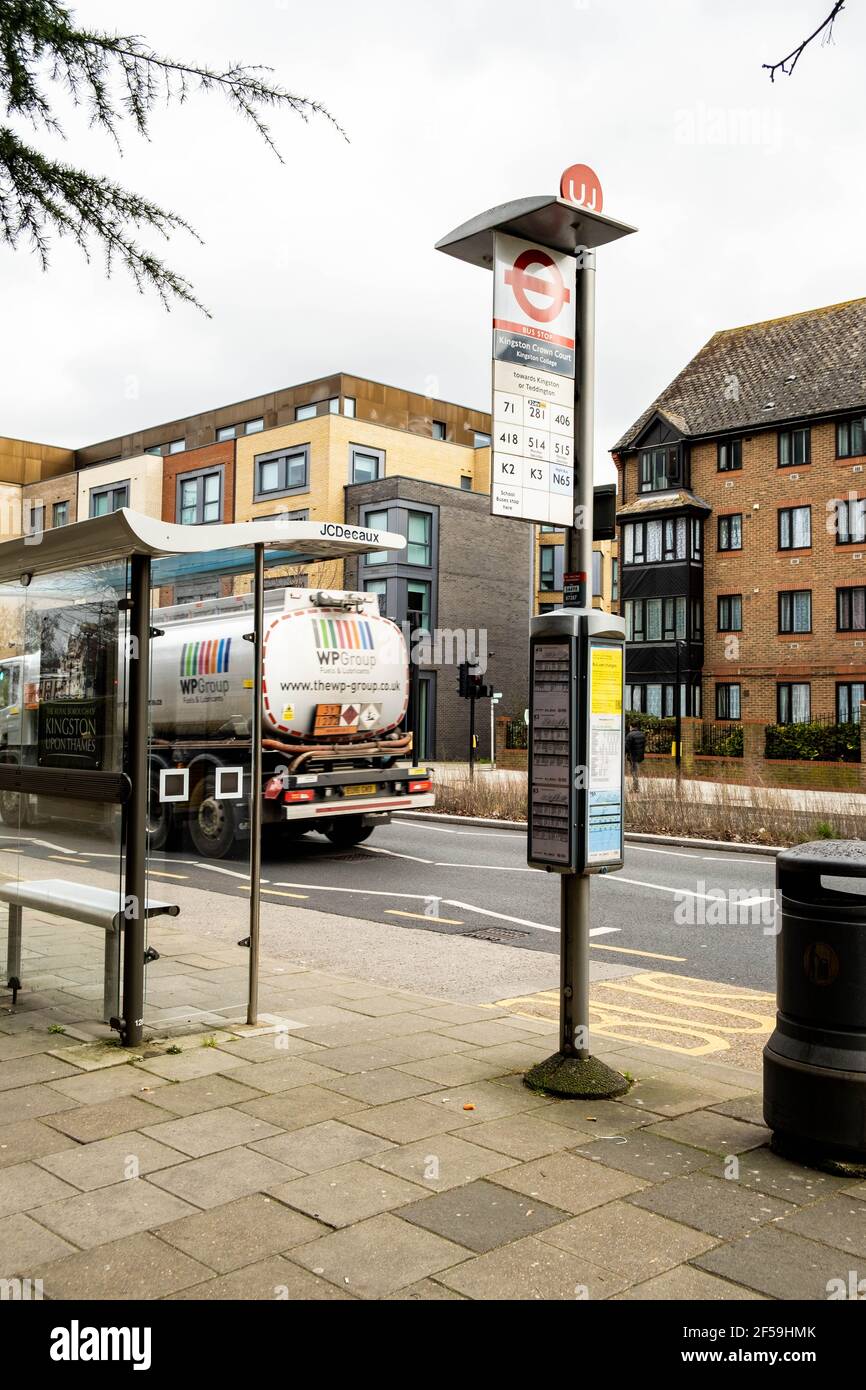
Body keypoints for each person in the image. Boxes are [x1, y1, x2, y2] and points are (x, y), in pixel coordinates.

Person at [624, 722, 646, 790]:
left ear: (631, 726)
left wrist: (624, 754)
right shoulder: (642, 734)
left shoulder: (630, 735)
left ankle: (635, 787)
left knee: (634, 771)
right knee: (635, 771)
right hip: (639, 756)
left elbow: (626, 746)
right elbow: (644, 745)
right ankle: (636, 786)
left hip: (632, 756)